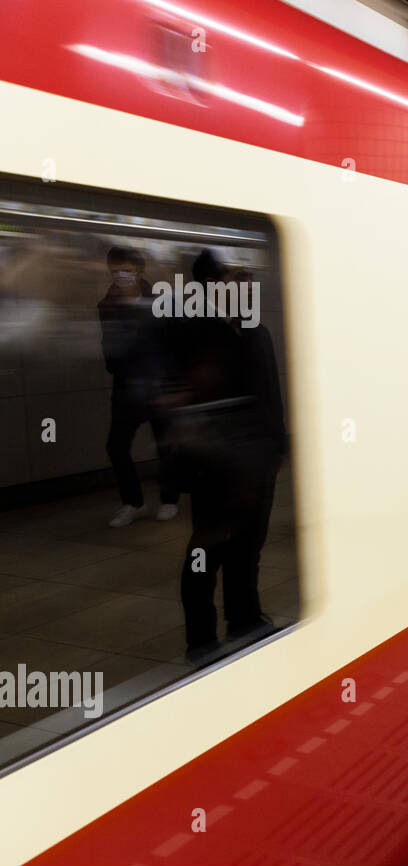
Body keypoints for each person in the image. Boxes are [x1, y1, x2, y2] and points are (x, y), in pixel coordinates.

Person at [171, 250, 286, 658]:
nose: (244, 289)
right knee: (207, 549)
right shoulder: (195, 332)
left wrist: (276, 447)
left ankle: (245, 619)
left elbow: (269, 393)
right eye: (233, 281)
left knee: (249, 543)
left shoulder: (252, 329)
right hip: (216, 461)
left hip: (256, 457)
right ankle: (200, 639)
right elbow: (191, 401)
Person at [99, 246, 180, 527]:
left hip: (158, 384)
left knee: (165, 444)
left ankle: (169, 499)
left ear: (140, 272)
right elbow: (109, 347)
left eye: (127, 271)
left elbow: (172, 346)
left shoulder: (160, 302)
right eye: (114, 271)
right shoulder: (107, 305)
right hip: (126, 386)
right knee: (116, 446)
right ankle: (133, 502)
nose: (120, 277)